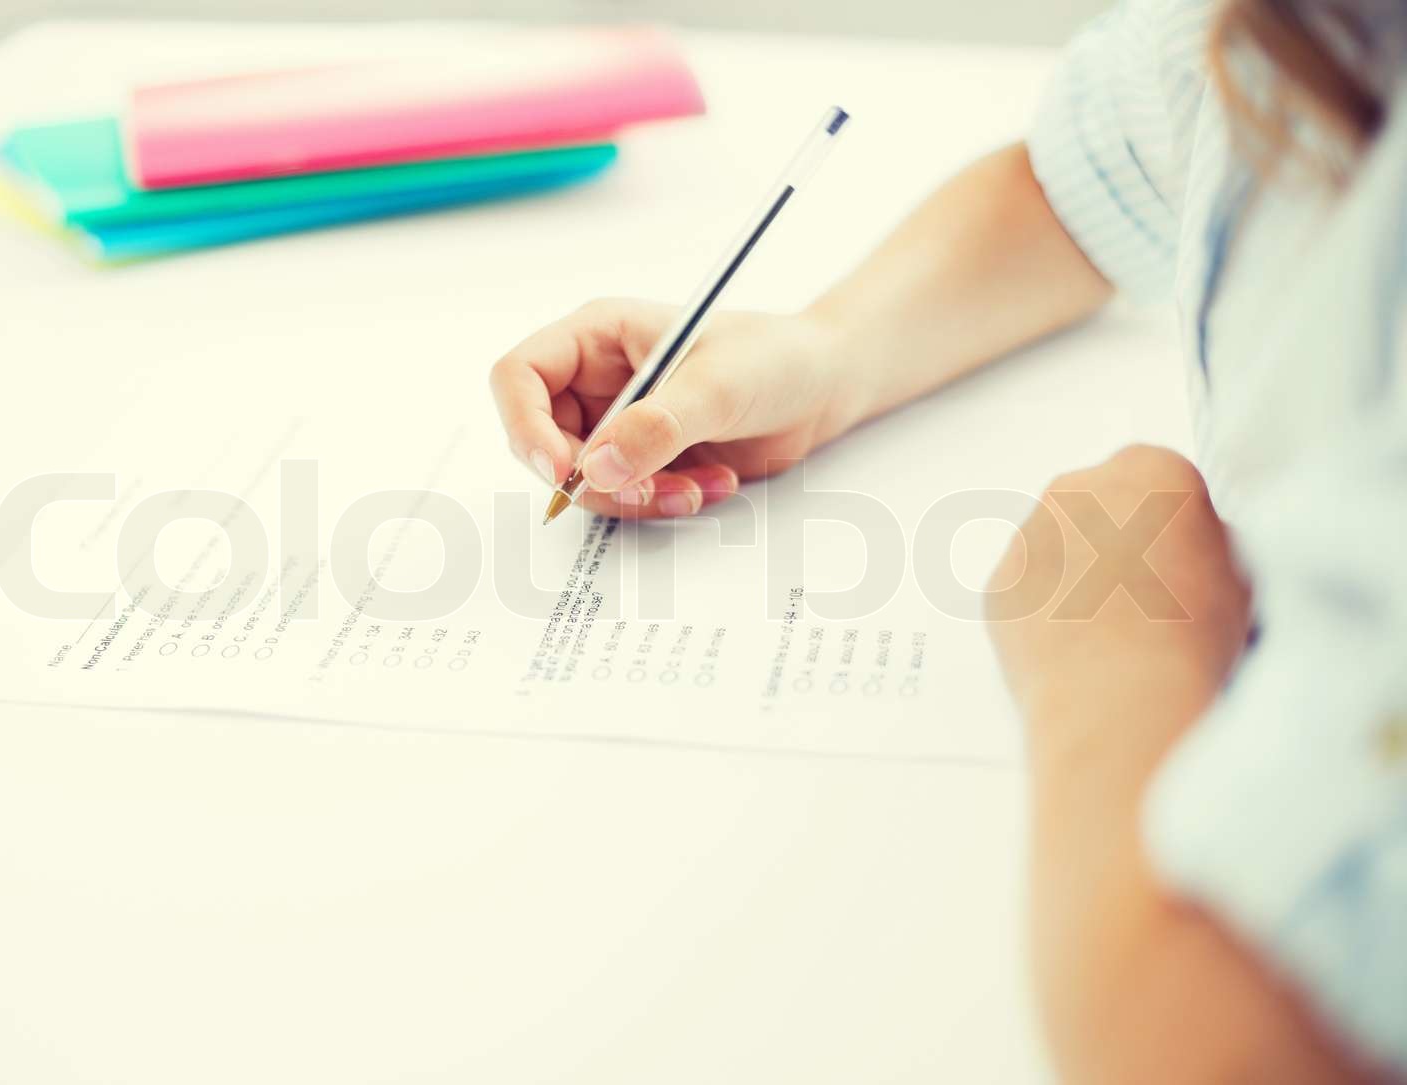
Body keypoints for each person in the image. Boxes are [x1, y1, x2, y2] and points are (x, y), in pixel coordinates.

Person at [488, 0, 1407, 1080]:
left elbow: (1221, 1047)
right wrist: (831, 354)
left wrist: (1114, 661)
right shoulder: (1286, 28)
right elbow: (1073, 190)